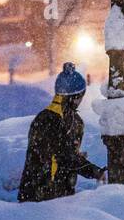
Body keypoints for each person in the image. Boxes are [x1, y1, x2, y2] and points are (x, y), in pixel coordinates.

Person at [17, 62, 106, 202]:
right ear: (76, 96)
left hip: (51, 194)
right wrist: (92, 170)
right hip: (44, 197)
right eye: (81, 95)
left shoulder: (64, 119)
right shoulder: (52, 120)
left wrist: (76, 157)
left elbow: (60, 153)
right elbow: (65, 156)